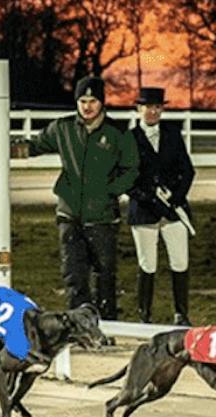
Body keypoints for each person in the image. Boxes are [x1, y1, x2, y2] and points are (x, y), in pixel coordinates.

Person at [16, 76, 137, 317]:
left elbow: (131, 169)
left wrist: (110, 191)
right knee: (73, 274)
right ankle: (77, 322)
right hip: (69, 214)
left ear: (101, 102)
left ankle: (106, 322)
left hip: (102, 217)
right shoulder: (63, 128)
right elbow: (35, 145)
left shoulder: (118, 133)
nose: (87, 106)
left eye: (93, 101)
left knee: (104, 275)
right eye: (82, 101)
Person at [127, 85, 195, 324]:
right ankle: (144, 316)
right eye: (148, 107)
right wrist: (148, 198)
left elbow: (187, 170)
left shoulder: (173, 135)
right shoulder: (129, 139)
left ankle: (181, 314)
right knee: (147, 264)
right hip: (144, 211)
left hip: (173, 210)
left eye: (157, 107)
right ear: (139, 109)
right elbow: (125, 178)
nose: (153, 111)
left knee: (180, 261)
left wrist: (177, 197)